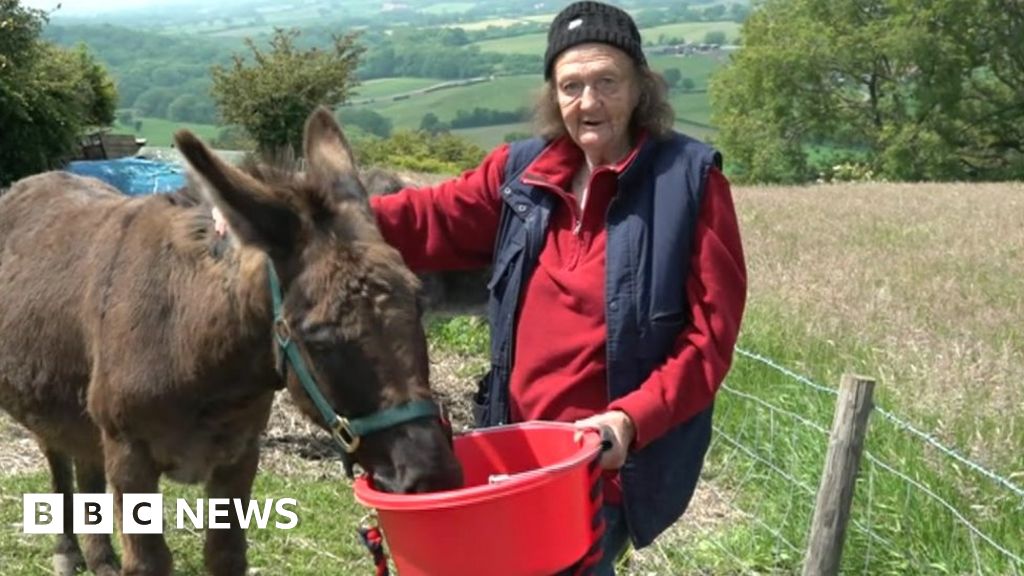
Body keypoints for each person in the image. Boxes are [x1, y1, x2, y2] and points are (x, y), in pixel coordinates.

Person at [218, 1, 746, 572]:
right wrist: (289, 213)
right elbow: (425, 218)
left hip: (605, 462)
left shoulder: (689, 183)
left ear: (641, 86)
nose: (588, 103)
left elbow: (708, 340)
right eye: (571, 86)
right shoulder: (522, 173)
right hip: (514, 447)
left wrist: (630, 420)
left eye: (607, 82)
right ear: (552, 94)